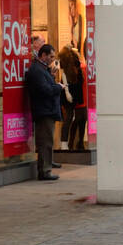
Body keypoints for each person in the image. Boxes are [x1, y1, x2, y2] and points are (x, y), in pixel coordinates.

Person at [26, 43, 64, 181]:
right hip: (44, 111)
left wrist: (53, 79)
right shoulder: (37, 70)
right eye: (51, 56)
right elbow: (45, 90)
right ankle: (44, 170)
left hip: (47, 110)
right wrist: (58, 87)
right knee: (45, 141)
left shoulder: (43, 69)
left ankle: (47, 166)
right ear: (43, 55)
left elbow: (47, 87)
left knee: (47, 141)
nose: (52, 59)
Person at [57, 44, 86, 152]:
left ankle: (67, 143)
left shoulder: (74, 61)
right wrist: (67, 92)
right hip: (69, 91)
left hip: (74, 90)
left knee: (72, 118)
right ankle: (64, 143)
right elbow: (64, 76)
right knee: (68, 118)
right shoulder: (67, 63)